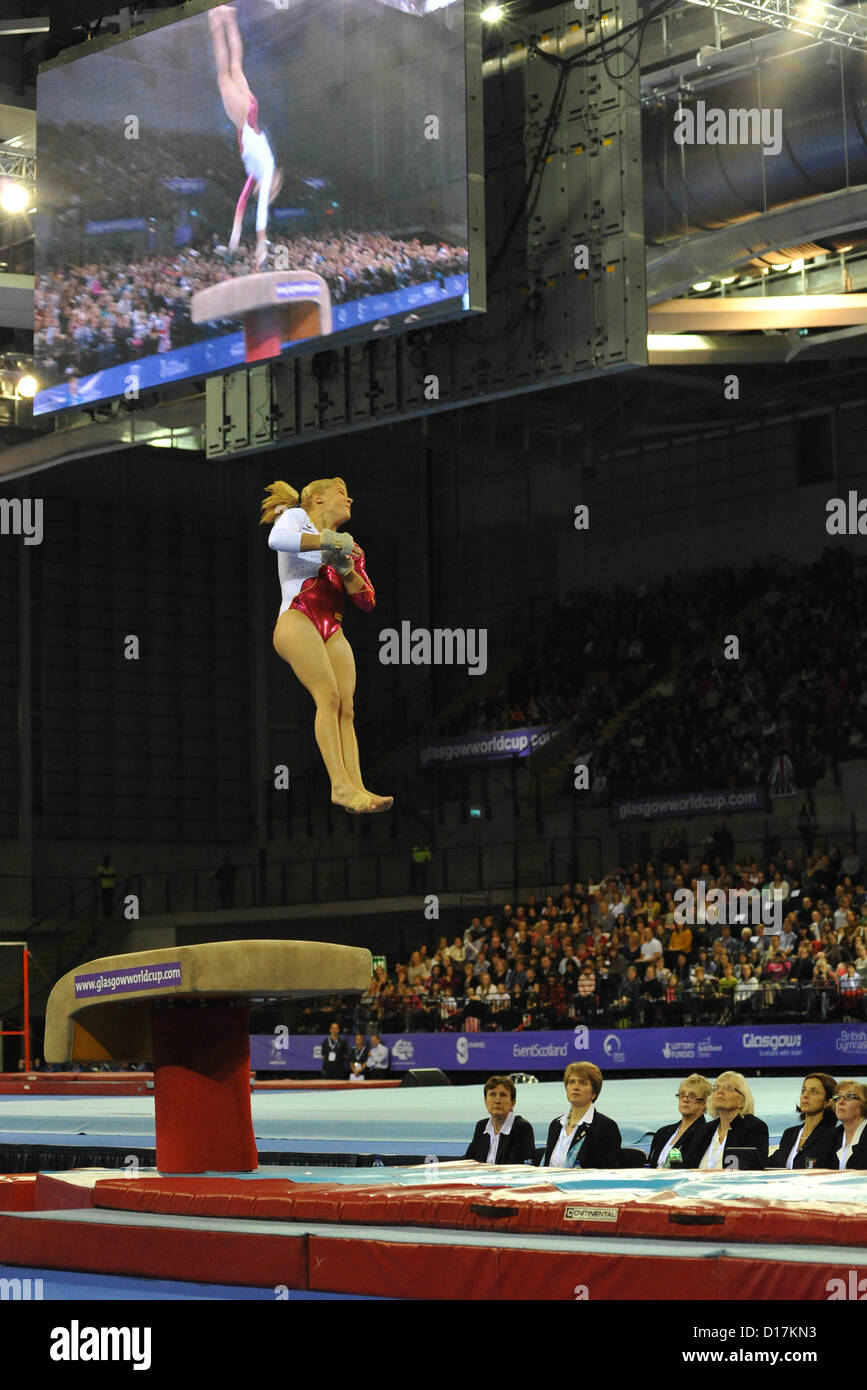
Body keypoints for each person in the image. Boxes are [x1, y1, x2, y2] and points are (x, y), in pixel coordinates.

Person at [262, 478, 392, 814]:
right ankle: (340, 787)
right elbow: (276, 540)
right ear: (316, 499)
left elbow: (367, 602)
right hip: (296, 618)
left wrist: (346, 568)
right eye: (341, 492)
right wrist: (326, 541)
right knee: (328, 696)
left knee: (346, 708)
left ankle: (358, 787)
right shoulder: (296, 518)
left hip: (331, 626)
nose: (350, 498)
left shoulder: (350, 547)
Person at [208, 4, 283, 268]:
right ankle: (215, 20)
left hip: (251, 111)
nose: (255, 194)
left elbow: (240, 210)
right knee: (223, 75)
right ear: (270, 185)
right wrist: (261, 249)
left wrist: (233, 244)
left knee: (236, 65)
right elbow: (260, 216)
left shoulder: (255, 176)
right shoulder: (264, 174)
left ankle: (228, 18)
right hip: (244, 119)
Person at [542, 1061, 621, 1168]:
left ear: (594, 1093)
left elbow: (607, 1173)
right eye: (571, 1082)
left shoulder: (605, 1127)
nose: (575, 1087)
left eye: (582, 1083)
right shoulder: (556, 1125)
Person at [690, 1071, 769, 1169]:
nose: (720, 1091)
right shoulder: (703, 1130)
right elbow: (687, 1166)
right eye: (716, 1088)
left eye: (728, 1088)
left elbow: (753, 1169)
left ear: (742, 1101)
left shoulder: (753, 1127)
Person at [768, 1073, 839, 1169]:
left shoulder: (832, 1137)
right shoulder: (789, 1134)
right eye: (804, 1090)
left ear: (827, 1102)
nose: (806, 1095)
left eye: (814, 1091)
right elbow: (770, 1165)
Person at [464, 1076, 537, 1165]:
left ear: (512, 1103)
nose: (497, 1100)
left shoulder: (521, 1127)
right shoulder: (481, 1126)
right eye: (492, 1094)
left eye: (503, 1095)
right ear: (485, 1101)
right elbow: (468, 1160)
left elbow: (523, 1166)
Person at [647, 1074, 711, 1167]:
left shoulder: (705, 1134)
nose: (685, 1099)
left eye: (692, 1097)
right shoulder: (662, 1132)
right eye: (682, 1095)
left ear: (704, 1103)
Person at [831, 1080, 867, 1169]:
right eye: (838, 1097)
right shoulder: (832, 1137)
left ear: (864, 1103)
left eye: (850, 1096)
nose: (841, 1101)